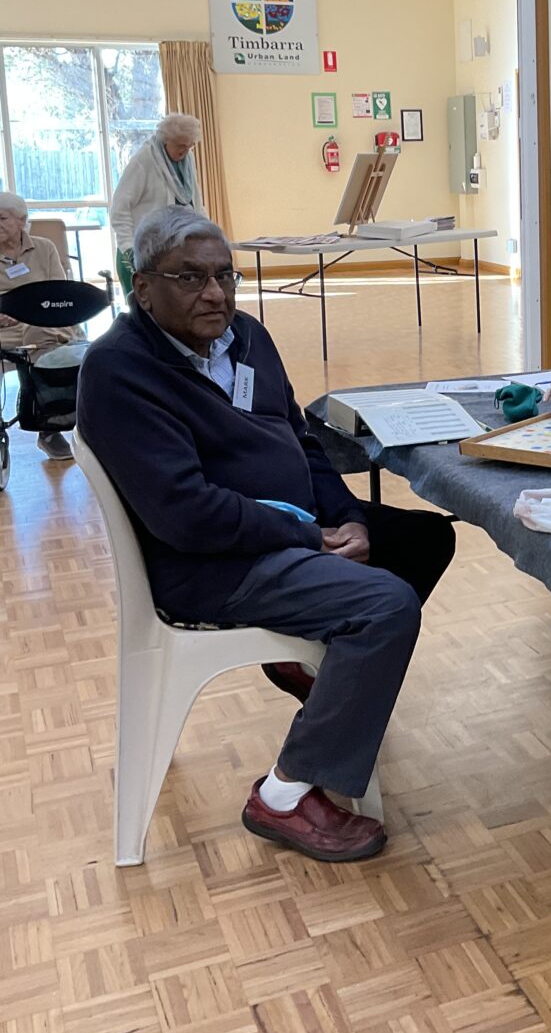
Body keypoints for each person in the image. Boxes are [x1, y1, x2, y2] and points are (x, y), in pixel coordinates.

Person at [77, 207, 455, 862]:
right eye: (190, 278)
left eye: (226, 275)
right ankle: (281, 798)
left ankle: (325, 676)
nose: (216, 293)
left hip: (284, 536)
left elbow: (300, 443)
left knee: (425, 541)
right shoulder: (119, 370)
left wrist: (348, 519)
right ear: (143, 286)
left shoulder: (244, 336)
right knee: (383, 607)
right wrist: (309, 537)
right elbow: (187, 514)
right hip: (207, 566)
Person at [0, 190, 80, 460]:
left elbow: (60, 292)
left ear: (22, 221)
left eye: (2, 219)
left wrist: (31, 312)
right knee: (39, 343)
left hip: (46, 322)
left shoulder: (44, 247)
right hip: (5, 329)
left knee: (46, 337)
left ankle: (49, 424)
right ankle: (48, 423)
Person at [111, 113, 204, 296]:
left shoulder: (187, 160)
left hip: (173, 250)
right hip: (140, 251)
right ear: (165, 139)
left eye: (190, 147)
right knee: (144, 311)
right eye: (180, 146)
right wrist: (129, 248)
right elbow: (119, 208)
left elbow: (194, 203)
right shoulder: (144, 160)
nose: (185, 151)